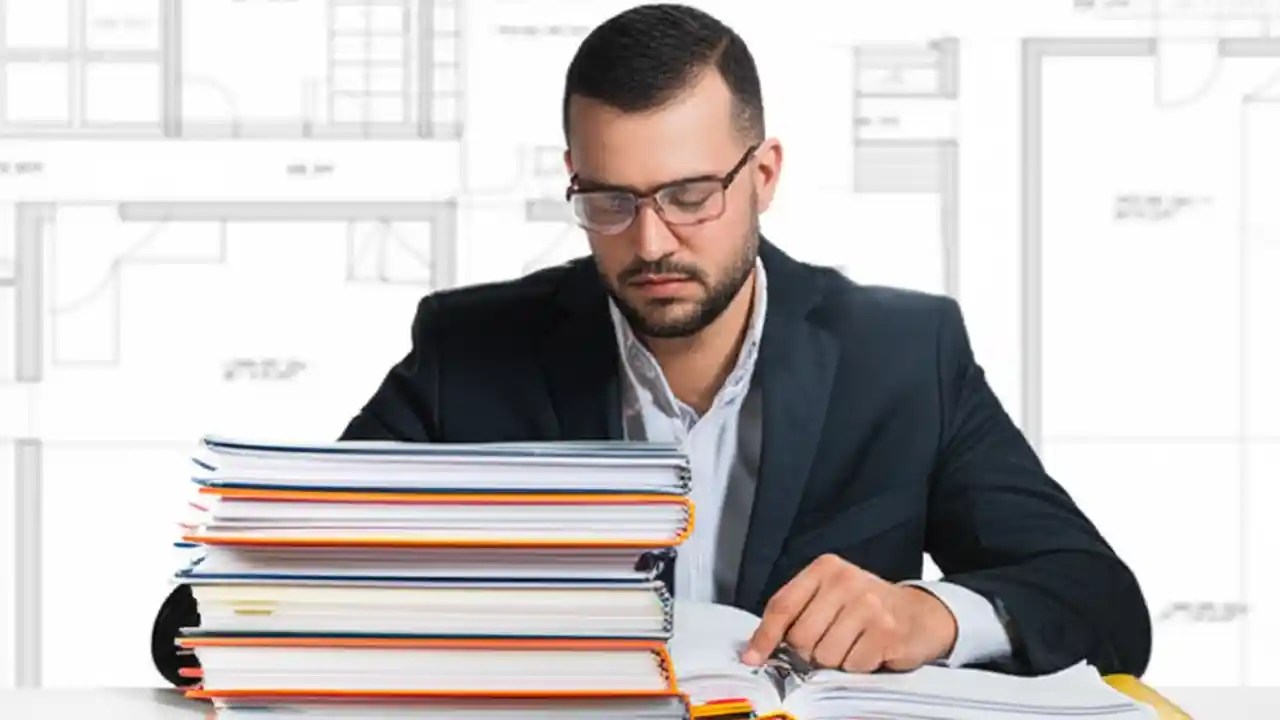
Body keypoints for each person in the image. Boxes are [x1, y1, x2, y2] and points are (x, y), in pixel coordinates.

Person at [152, 2, 1150, 684]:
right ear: (573, 179)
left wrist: (930, 617)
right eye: (609, 200)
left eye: (690, 194)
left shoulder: (903, 353)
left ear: (763, 175)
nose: (651, 241)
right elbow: (203, 620)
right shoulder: (470, 352)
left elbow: (1102, 603)